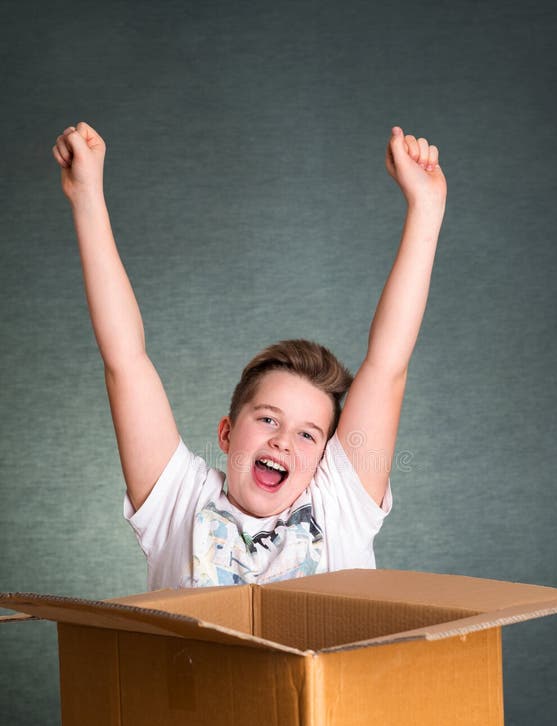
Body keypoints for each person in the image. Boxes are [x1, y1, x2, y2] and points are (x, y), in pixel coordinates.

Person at [52, 122, 447, 588]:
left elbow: (387, 365)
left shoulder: (339, 503)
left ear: (325, 456)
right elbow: (125, 360)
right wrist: (86, 197)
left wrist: (426, 208)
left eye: (307, 434)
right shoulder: (179, 501)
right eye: (267, 419)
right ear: (226, 432)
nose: (283, 441)